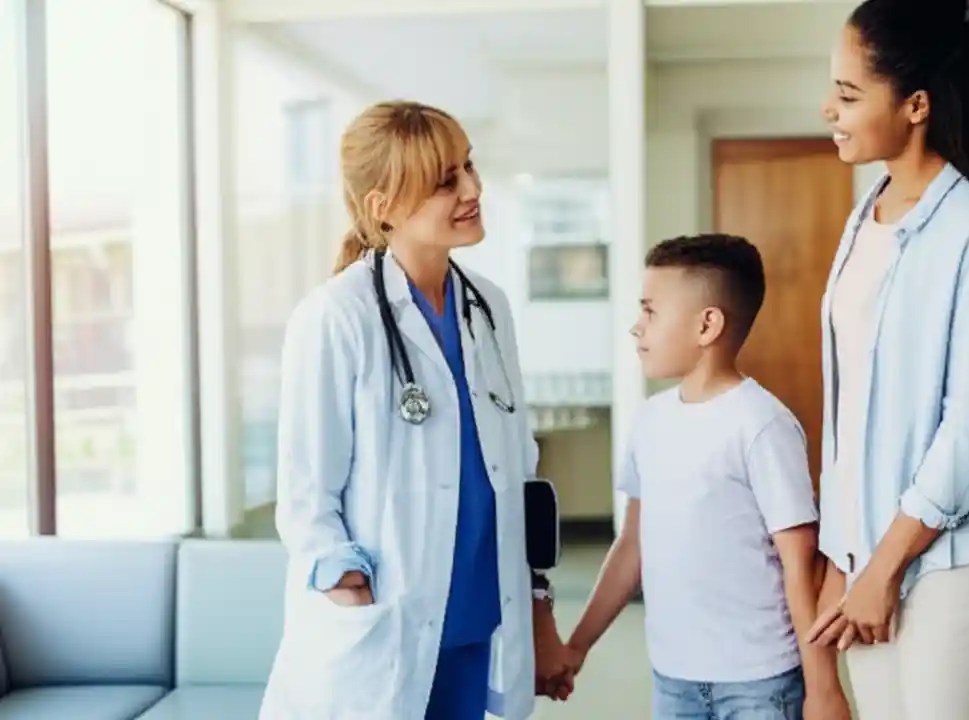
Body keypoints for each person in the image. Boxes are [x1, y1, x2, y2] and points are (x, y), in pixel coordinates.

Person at [259, 100, 572, 720]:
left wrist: (538, 611)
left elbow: (521, 476)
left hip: (480, 619)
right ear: (383, 206)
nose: (473, 190)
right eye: (445, 180)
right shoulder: (334, 318)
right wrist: (349, 589)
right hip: (386, 632)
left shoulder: (489, 307)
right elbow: (305, 498)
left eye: (469, 168)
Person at [804, 1, 969, 718]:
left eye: (849, 93)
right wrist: (841, 556)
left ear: (916, 103)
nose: (829, 107)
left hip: (958, 559)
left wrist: (883, 565)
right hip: (872, 561)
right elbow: (851, 414)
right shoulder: (867, 220)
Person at [558, 234, 850, 719]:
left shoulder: (762, 424)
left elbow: (801, 568)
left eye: (650, 311)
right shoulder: (649, 421)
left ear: (707, 324)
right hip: (674, 682)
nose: (637, 328)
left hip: (760, 684)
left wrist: (823, 690)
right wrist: (578, 645)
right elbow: (632, 546)